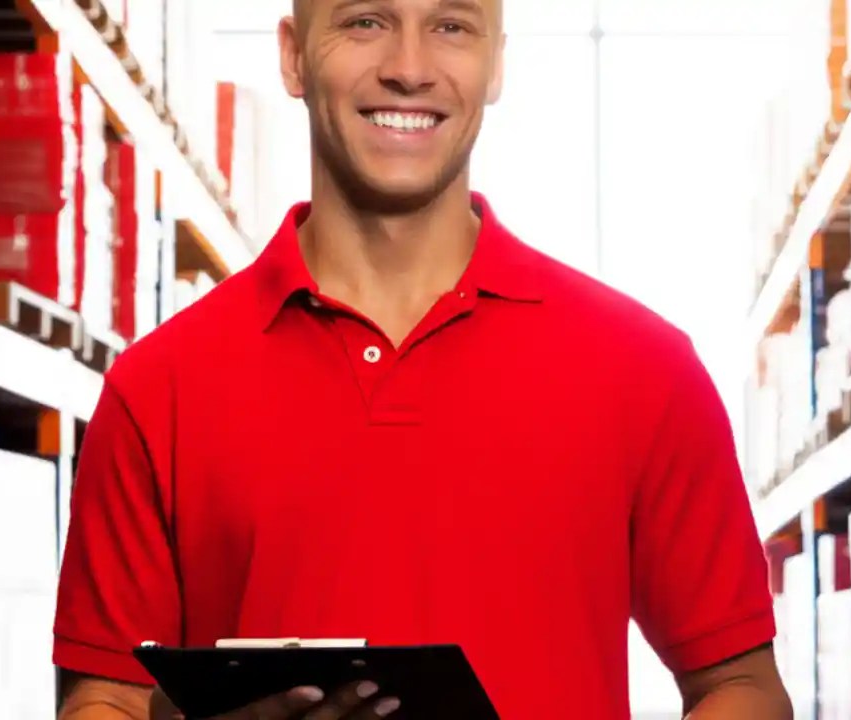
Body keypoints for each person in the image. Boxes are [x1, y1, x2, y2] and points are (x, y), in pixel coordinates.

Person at [54, 0, 793, 718]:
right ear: (292, 56)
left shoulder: (645, 371)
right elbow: (103, 698)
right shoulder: (158, 387)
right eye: (365, 21)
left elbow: (744, 687)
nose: (409, 68)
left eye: (450, 26)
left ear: (495, 62)